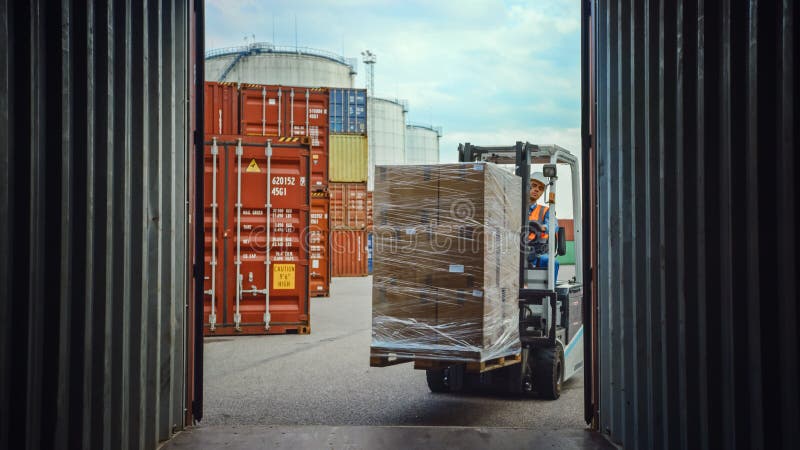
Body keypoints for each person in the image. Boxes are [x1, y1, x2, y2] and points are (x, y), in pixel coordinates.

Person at [527, 172, 559, 280]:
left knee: (551, 261)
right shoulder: (514, 207)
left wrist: (542, 227)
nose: (537, 190)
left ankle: (548, 294)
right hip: (515, 250)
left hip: (537, 253)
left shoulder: (546, 211)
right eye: (534, 185)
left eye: (540, 188)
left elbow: (553, 225)